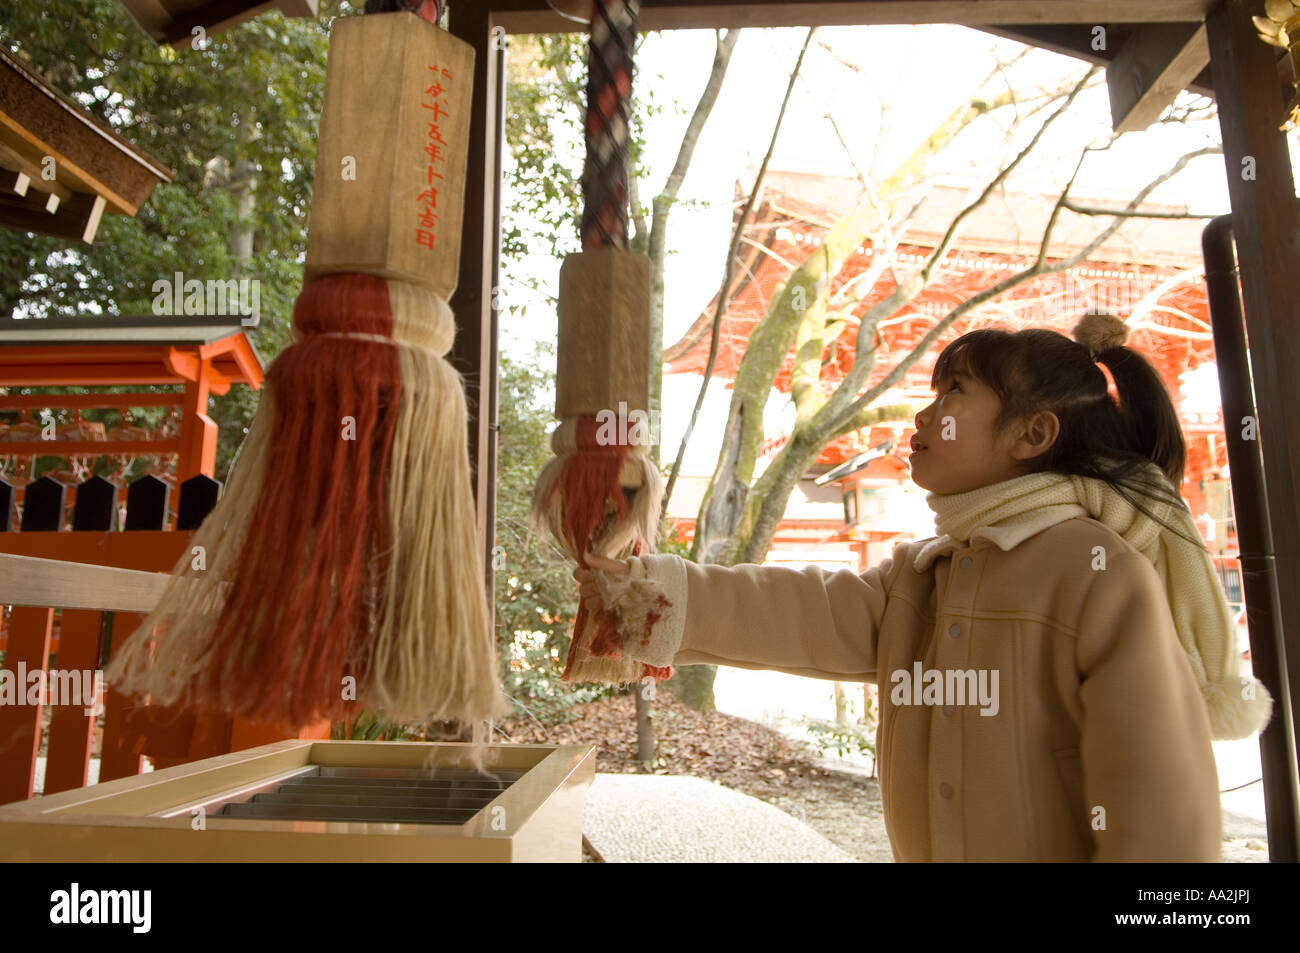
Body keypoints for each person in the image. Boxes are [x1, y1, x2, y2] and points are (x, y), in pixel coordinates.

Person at [573, 312, 1272, 862]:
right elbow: (806, 612)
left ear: (1031, 433)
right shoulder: (923, 573)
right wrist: (643, 589)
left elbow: (1159, 804)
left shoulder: (1095, 572)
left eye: (954, 392)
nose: (922, 414)